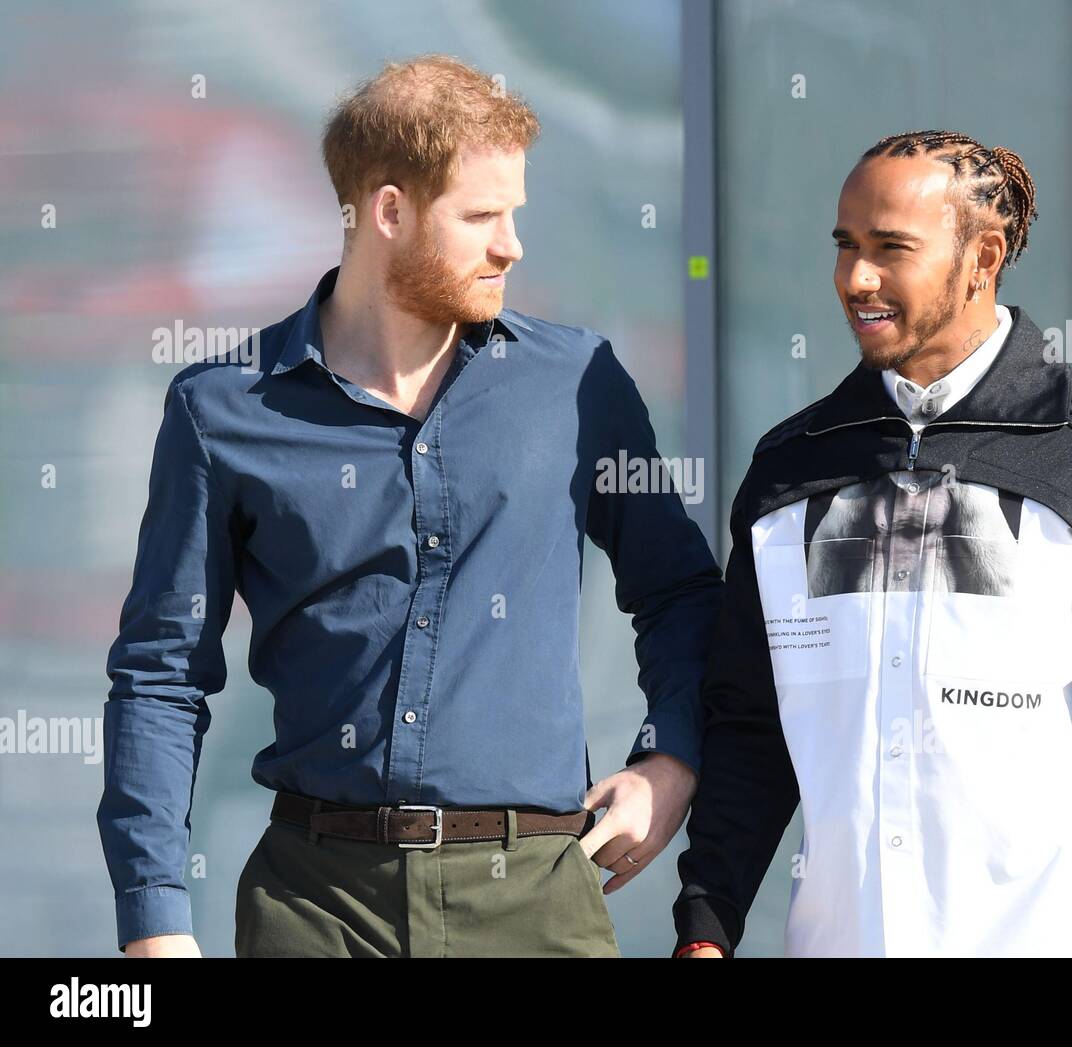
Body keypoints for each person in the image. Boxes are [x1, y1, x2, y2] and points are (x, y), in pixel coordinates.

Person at [98, 54, 722, 958]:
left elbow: (681, 593)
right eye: (482, 217)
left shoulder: (576, 383)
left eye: (515, 214)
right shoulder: (220, 410)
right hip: (314, 906)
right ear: (387, 212)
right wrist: (154, 919)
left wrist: (672, 759)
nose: (511, 244)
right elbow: (160, 674)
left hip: (536, 901)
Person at [672, 130, 1072, 958]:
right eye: (845, 247)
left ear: (982, 258)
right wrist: (707, 922)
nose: (855, 279)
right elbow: (749, 727)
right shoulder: (788, 471)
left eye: (890, 249)